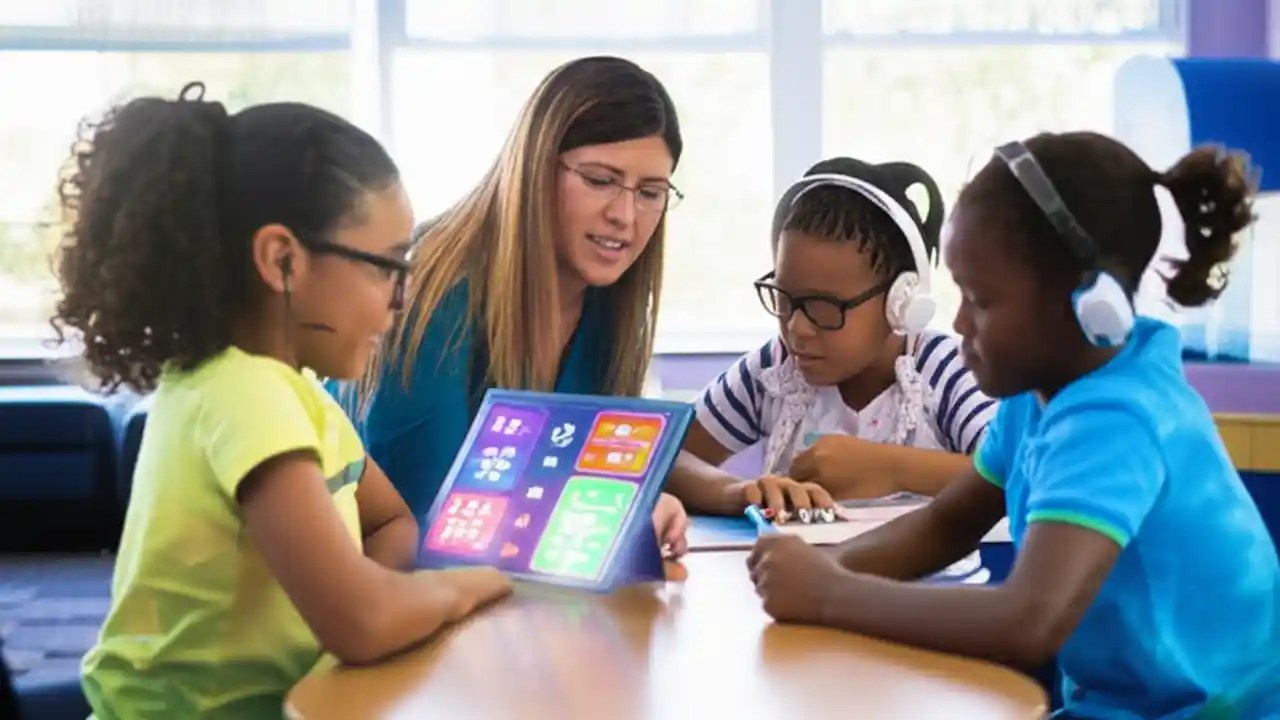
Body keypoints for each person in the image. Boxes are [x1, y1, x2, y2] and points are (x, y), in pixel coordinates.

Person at [747, 132, 1280, 718]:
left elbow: (1031, 620)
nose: (958, 321)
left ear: (1087, 303)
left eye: (980, 299)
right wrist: (822, 567)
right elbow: (946, 524)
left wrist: (829, 594)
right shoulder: (1039, 396)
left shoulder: (1117, 420)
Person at [58, 83, 511, 719]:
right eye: (385, 266)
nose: (400, 299)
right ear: (282, 261)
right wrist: (474, 586)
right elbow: (361, 622)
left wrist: (358, 600)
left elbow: (391, 523)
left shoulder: (300, 395)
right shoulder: (244, 395)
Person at [347, 56, 688, 555]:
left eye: (651, 192)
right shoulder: (431, 296)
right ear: (534, 169)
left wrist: (636, 507)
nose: (625, 216)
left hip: (511, 602)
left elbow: (580, 483)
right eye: (599, 180)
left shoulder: (610, 306)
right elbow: (430, 525)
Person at [667, 158, 996, 581]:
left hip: (925, 602)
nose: (797, 328)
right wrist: (737, 492)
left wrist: (890, 467)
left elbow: (1023, 473)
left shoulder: (944, 373)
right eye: (784, 298)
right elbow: (664, 455)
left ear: (902, 302)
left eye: (825, 308)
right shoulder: (778, 368)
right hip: (799, 596)